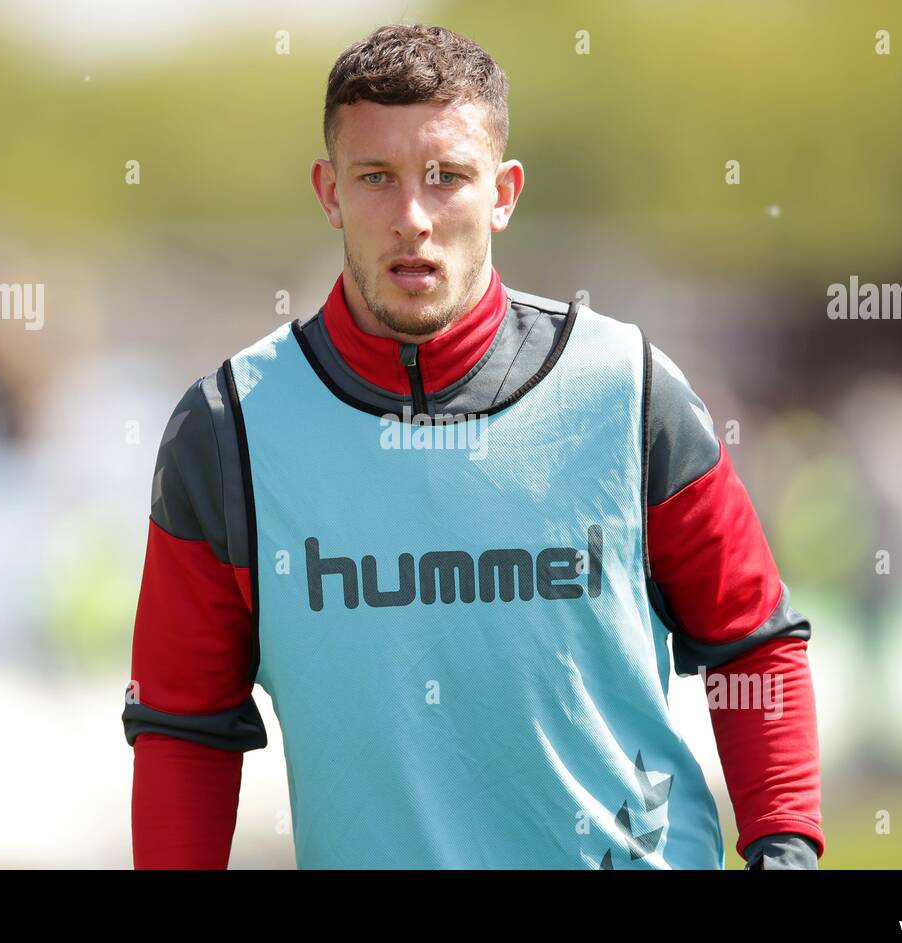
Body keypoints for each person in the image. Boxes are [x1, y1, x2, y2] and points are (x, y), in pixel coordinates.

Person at [123, 23, 823, 869]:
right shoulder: (228, 429)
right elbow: (182, 725)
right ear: (328, 190)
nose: (412, 217)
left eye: (447, 177)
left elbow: (752, 640)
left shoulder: (627, 389)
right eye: (375, 177)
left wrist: (786, 850)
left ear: (504, 191)